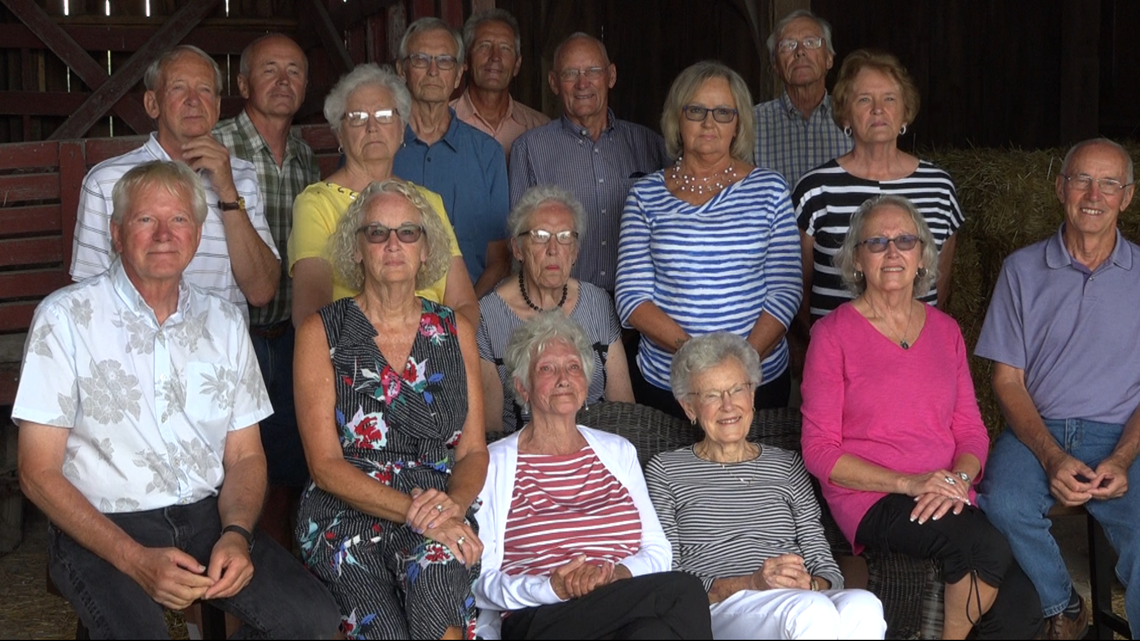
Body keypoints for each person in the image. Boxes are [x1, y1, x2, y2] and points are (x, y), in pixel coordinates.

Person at [14, 160, 340, 639]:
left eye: (180, 220)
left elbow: (247, 457)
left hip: (206, 518)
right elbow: (36, 473)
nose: (165, 233)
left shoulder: (225, 321)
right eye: (146, 219)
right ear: (117, 233)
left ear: (198, 232)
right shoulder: (65, 319)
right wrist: (134, 559)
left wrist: (237, 534)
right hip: (101, 524)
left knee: (313, 620)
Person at [800, 195, 1043, 639]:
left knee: (1024, 605)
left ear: (922, 256)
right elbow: (819, 451)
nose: (892, 251)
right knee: (985, 546)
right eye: (877, 242)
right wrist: (910, 483)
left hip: (946, 491)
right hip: (873, 497)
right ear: (857, 259)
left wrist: (960, 481)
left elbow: (970, 429)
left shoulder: (946, 331)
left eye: (905, 240)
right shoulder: (832, 334)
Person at [294, 178, 488, 639]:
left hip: (437, 506)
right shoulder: (321, 332)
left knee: (440, 572)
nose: (393, 244)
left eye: (408, 232)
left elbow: (474, 451)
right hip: (346, 511)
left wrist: (451, 509)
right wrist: (412, 512)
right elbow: (324, 466)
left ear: (426, 249)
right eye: (377, 233)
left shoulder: (454, 329)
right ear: (356, 249)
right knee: (383, 630)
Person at [975, 138, 1140, 640]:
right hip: (1037, 431)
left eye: (1109, 183)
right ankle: (1064, 603)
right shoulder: (1021, 269)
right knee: (1001, 501)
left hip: (1121, 433)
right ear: (1060, 188)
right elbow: (1007, 380)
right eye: (1081, 180)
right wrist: (1049, 455)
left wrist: (1123, 457)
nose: (1094, 194)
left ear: (1127, 196)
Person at [473, 312, 713, 640]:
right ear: (522, 387)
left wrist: (616, 575)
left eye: (573, 367)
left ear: (586, 383)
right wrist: (552, 587)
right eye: (547, 368)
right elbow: (480, 578)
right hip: (542, 617)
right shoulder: (492, 464)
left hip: (619, 604)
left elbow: (658, 550)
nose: (563, 378)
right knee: (684, 592)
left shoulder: (618, 452)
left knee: (652, 633)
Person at [646, 332, 885, 640]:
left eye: (737, 390)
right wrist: (753, 582)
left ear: (753, 396)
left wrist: (811, 584)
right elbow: (669, 577)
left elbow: (823, 563)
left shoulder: (787, 465)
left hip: (799, 597)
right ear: (690, 408)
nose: (728, 405)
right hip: (719, 605)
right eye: (711, 395)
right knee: (812, 612)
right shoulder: (666, 470)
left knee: (863, 605)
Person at [615, 61, 800, 417]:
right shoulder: (646, 194)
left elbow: (785, 291)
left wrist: (740, 367)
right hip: (669, 382)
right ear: (677, 119)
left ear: (739, 124)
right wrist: (697, 360)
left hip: (754, 379)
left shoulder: (770, 189)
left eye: (723, 112)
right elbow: (631, 298)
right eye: (696, 110)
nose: (709, 123)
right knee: (673, 472)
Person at [71, 45, 279, 322]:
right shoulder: (105, 182)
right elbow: (87, 300)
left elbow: (261, 292)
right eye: (178, 88)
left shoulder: (241, 177)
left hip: (218, 352)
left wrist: (228, 191)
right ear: (152, 104)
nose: (194, 100)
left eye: (205, 90)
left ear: (217, 106)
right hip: (134, 354)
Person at [213, 32, 319, 548]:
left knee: (290, 466)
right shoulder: (215, 149)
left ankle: (279, 585)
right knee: (235, 467)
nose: (283, 80)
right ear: (242, 82)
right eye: (269, 69)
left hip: (293, 335)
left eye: (294, 70)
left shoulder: (304, 155)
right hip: (236, 335)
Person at [288, 63, 479, 329]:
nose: (372, 127)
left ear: (402, 129)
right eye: (357, 117)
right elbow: (311, 314)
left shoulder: (428, 201)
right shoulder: (316, 203)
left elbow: (464, 305)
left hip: (435, 357)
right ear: (339, 133)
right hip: (355, 360)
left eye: (385, 115)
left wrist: (434, 352)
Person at [794, 49, 962, 328]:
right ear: (845, 115)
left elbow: (937, 285)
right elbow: (799, 289)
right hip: (838, 355)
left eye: (889, 99)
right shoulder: (814, 189)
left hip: (913, 353)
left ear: (905, 113)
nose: (878, 109)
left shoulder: (939, 188)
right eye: (864, 100)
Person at [509, 33, 669, 294]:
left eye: (593, 71)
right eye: (570, 73)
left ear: (612, 76)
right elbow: (518, 243)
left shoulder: (650, 145)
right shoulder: (529, 149)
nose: (583, 83)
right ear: (554, 82)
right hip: (563, 306)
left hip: (639, 307)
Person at [478, 185, 633, 434]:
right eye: (540, 236)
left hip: (597, 444)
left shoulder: (597, 302)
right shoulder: (488, 315)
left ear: (574, 252)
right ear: (518, 249)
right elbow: (491, 426)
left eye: (564, 237)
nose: (553, 249)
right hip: (524, 448)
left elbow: (625, 405)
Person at [392, 17, 510, 296]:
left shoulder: (487, 154)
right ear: (401, 70)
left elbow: (499, 259)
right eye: (421, 59)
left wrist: (465, 312)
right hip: (388, 318)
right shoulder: (378, 147)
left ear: (458, 75)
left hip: (469, 314)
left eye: (444, 61)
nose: (433, 71)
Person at [753, 9, 851, 187]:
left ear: (829, 58)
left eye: (811, 42)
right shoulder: (753, 122)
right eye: (788, 45)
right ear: (775, 65)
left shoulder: (852, 116)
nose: (800, 51)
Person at [452, 8, 549, 160]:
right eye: (484, 46)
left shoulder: (540, 127)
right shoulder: (443, 123)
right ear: (465, 60)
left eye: (505, 48)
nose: (495, 57)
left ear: (517, 65)